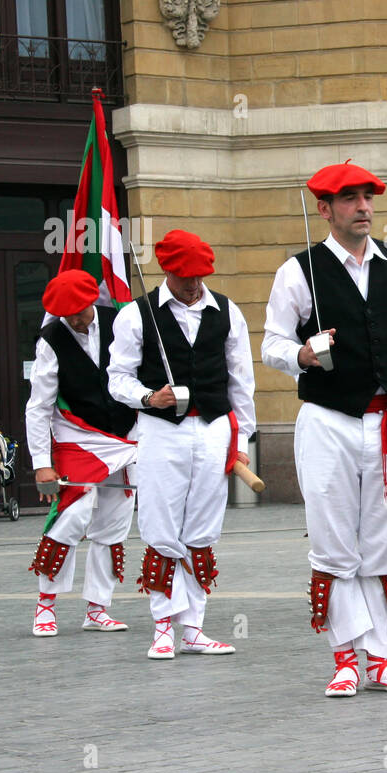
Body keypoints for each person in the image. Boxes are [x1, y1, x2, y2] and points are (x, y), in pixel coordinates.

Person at [262, 161, 387, 697]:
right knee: (335, 541)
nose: (363, 207)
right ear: (325, 209)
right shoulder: (300, 271)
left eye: (368, 197)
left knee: (386, 541)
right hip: (328, 421)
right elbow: (270, 345)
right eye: (350, 199)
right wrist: (302, 354)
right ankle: (344, 657)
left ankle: (380, 659)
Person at [108, 230, 256, 660]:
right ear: (167, 271)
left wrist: (241, 439)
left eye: (200, 276)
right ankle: (162, 626)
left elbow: (241, 383)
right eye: (185, 276)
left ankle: (193, 626)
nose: (194, 284)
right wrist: (149, 397)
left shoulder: (227, 311)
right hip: (161, 431)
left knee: (203, 528)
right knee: (160, 525)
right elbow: (118, 377)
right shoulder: (136, 315)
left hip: (213, 428)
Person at [27, 269, 138, 637]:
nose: (75, 318)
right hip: (79, 435)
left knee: (115, 520)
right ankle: (46, 603)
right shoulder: (51, 339)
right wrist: (42, 464)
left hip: (126, 435)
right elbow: (38, 406)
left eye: (80, 309)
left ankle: (97, 608)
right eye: (67, 313)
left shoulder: (119, 321)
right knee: (73, 513)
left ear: (94, 299)